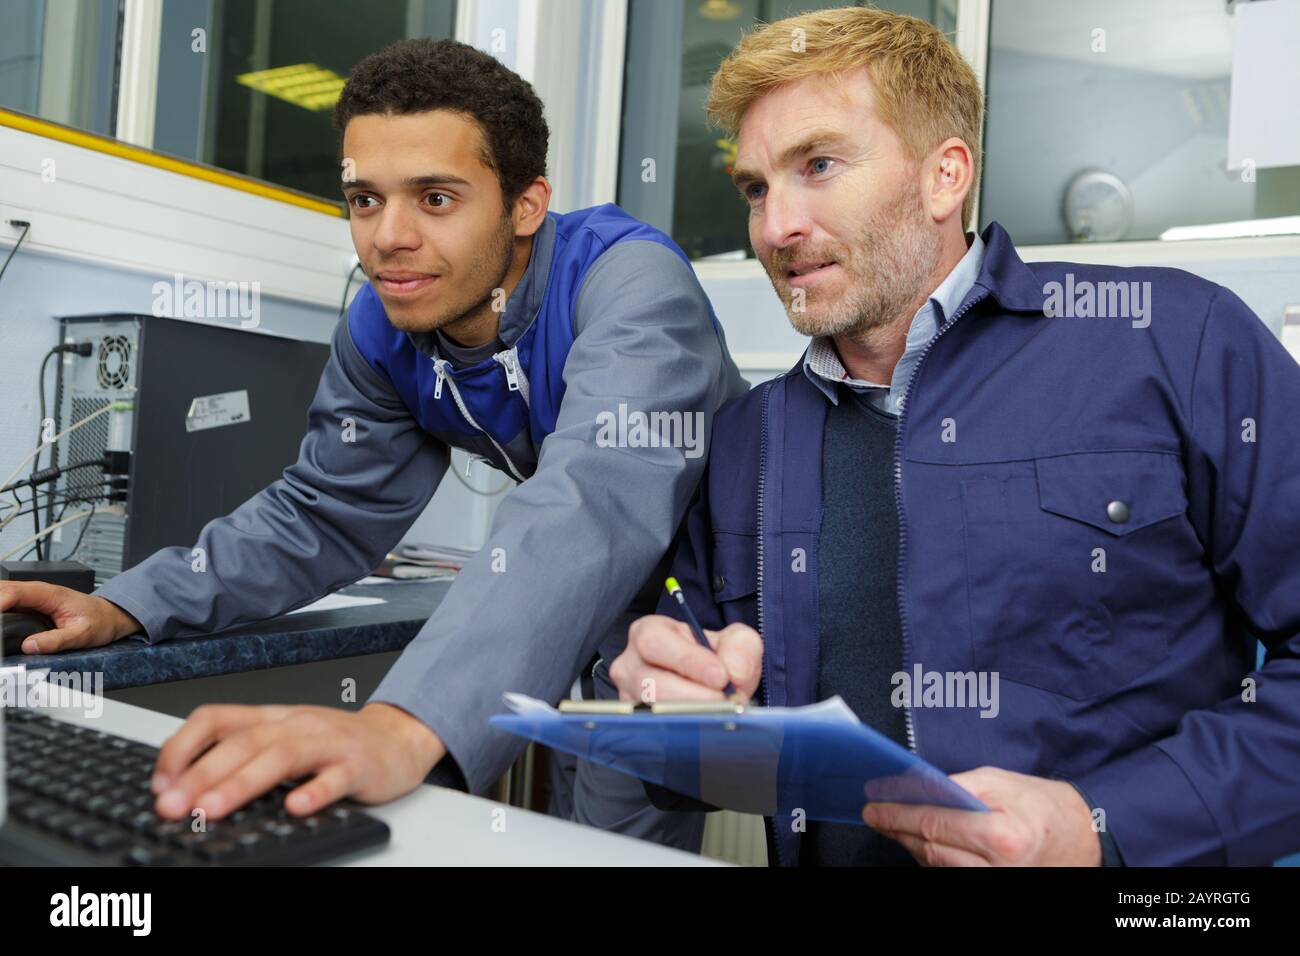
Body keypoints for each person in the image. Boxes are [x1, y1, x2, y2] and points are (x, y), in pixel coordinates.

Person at [0, 38, 745, 851]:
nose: (388, 237)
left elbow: (590, 505)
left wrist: (403, 724)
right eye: (363, 199)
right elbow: (323, 511)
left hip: (723, 599)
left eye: (434, 197)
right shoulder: (383, 324)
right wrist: (130, 604)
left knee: (619, 841)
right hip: (575, 599)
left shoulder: (630, 282)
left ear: (527, 204)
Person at [609, 6, 1300, 866]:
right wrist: (663, 692)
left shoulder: (1175, 343)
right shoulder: (746, 439)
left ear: (946, 177)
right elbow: (689, 706)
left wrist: (1100, 828)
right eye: (755, 187)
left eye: (818, 165)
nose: (774, 227)